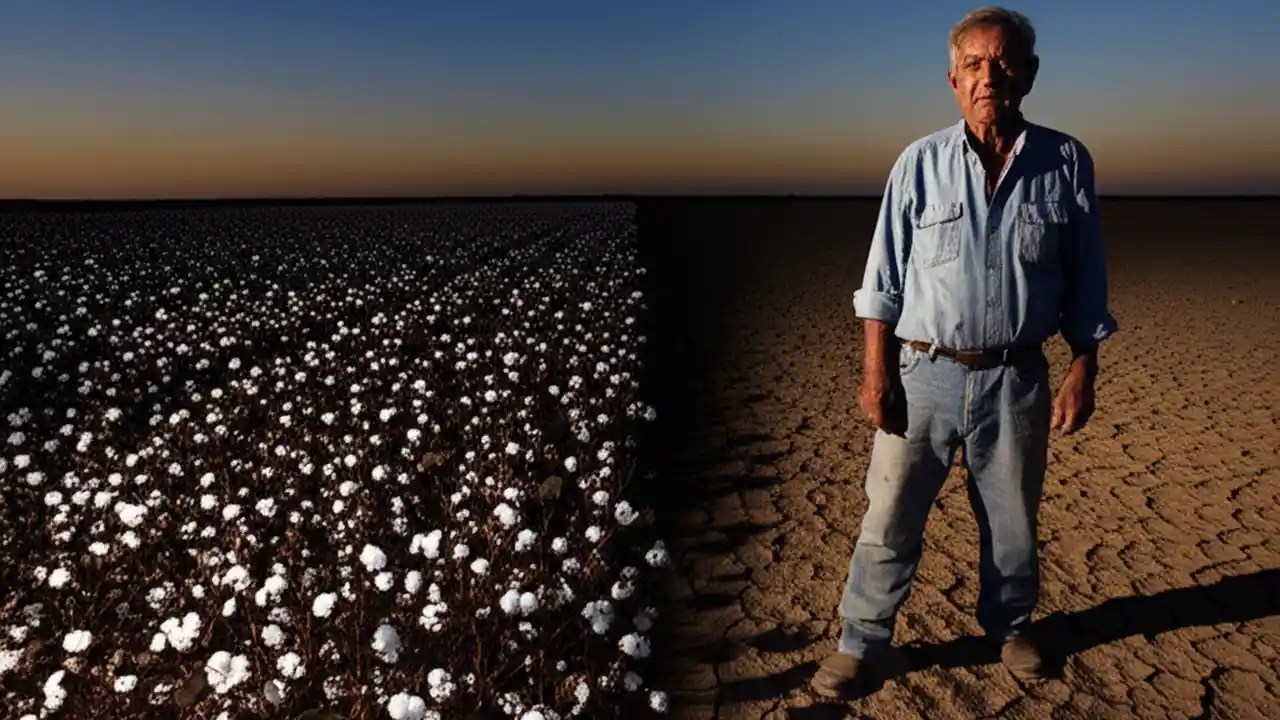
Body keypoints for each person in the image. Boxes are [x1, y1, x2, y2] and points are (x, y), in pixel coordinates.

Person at [810, 5, 1119, 697]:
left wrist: (1083, 367)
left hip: (1017, 376)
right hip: (923, 373)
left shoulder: (1064, 160)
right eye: (974, 65)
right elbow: (882, 279)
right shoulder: (918, 163)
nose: (989, 77)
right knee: (889, 514)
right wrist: (875, 372)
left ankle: (1009, 628)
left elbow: (1086, 276)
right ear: (953, 78)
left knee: (1012, 519)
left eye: (1004, 63)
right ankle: (860, 641)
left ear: (1029, 74)